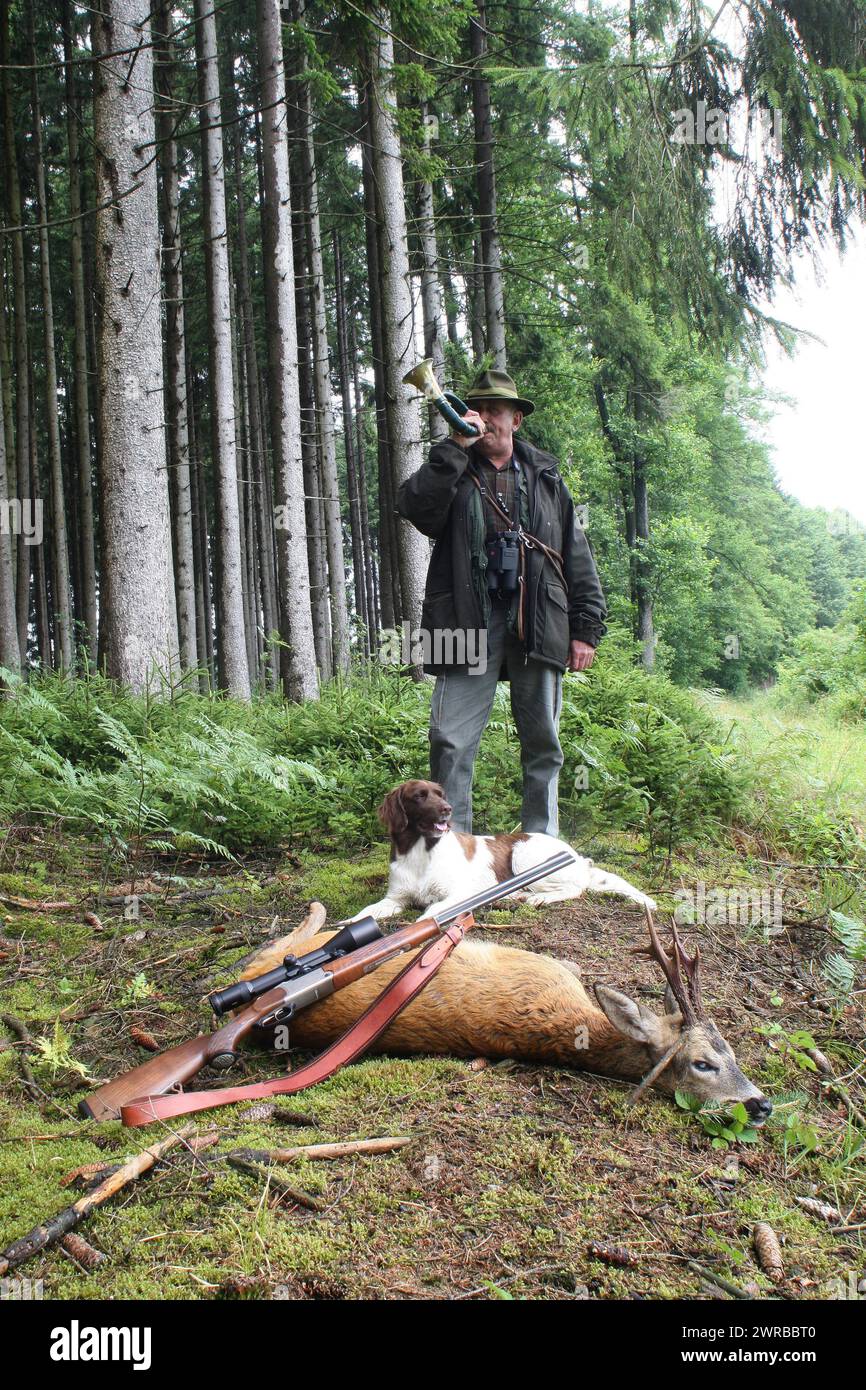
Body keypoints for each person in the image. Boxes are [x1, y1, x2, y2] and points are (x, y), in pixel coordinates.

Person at [396, 367, 607, 835]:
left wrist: (585, 628)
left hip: (540, 619)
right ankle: (451, 848)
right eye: (480, 409)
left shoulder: (549, 479)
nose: (487, 419)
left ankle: (540, 842)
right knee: (449, 739)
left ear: (516, 420)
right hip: (459, 620)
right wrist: (453, 449)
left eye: (497, 410)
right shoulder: (452, 468)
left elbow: (576, 555)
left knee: (543, 742)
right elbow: (414, 507)